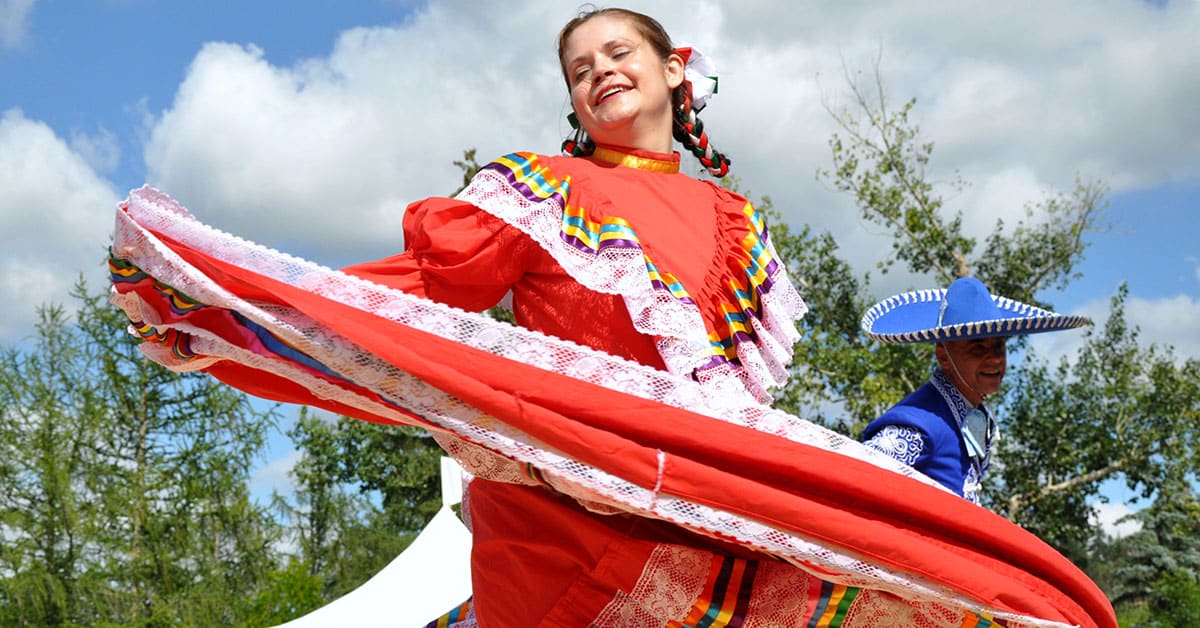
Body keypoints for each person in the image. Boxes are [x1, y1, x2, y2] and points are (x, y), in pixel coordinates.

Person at [107, 7, 1118, 627]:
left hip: (694, 490)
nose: (598, 71)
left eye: (616, 51)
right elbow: (417, 291)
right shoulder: (540, 190)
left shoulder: (736, 221)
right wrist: (246, 310)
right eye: (579, 67)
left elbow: (728, 396)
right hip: (561, 498)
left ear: (676, 71)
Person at [860, 276, 1090, 504]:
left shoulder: (970, 414)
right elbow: (857, 477)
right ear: (944, 357)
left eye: (999, 346)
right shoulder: (918, 426)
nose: (994, 360)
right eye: (977, 348)